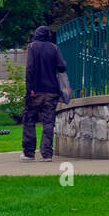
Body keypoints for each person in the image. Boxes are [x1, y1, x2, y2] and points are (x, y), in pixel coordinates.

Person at [22, 25, 66, 162]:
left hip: (36, 90)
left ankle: (29, 153)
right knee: (48, 122)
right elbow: (62, 67)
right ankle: (47, 153)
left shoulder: (32, 47)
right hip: (51, 90)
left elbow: (29, 69)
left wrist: (29, 89)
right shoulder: (54, 48)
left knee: (29, 119)